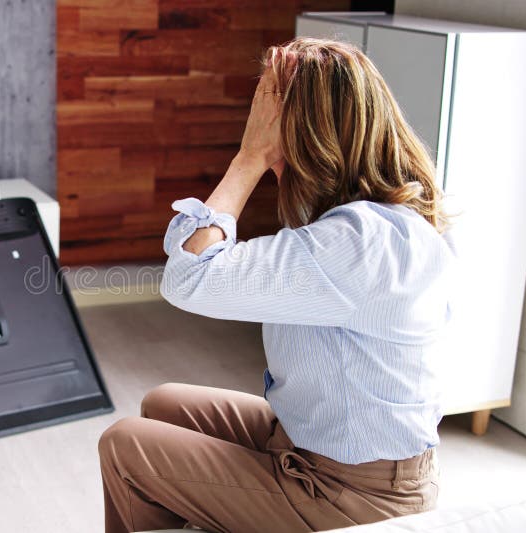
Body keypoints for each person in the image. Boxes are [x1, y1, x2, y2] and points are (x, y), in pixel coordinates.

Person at [98, 37, 454, 533]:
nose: (258, 122)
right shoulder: (380, 221)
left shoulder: (355, 243)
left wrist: (249, 158)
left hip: (351, 493)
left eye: (266, 110)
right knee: (164, 403)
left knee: (126, 444)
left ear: (307, 130)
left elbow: (189, 277)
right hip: (324, 447)